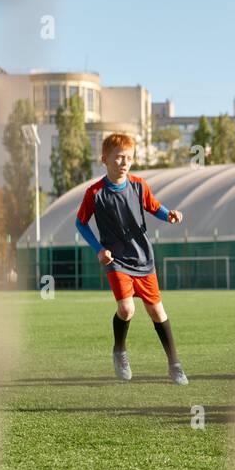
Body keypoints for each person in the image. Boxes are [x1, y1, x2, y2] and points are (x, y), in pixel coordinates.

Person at [75, 133, 188, 384]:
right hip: (116, 260)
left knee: (157, 312)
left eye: (128, 158)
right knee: (127, 309)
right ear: (105, 159)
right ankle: (120, 352)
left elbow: (154, 206)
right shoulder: (94, 193)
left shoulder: (139, 185)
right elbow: (80, 223)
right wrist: (98, 249)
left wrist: (169, 215)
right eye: (118, 157)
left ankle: (175, 364)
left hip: (142, 258)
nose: (124, 162)